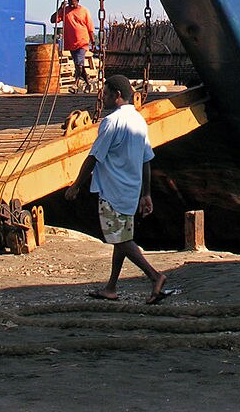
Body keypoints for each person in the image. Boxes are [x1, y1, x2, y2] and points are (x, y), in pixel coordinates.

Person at [65, 74, 171, 303]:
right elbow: (146, 160)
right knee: (121, 238)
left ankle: (155, 276)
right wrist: (146, 194)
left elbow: (93, 157)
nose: (102, 99)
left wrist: (76, 186)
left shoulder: (111, 123)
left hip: (112, 192)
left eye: (105, 94)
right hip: (131, 190)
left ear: (117, 95)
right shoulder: (139, 121)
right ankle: (111, 287)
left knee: (121, 241)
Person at [51, 0, 95, 88]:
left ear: (78, 1)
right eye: (70, 3)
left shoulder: (84, 11)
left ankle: (75, 84)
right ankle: (88, 84)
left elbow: (90, 28)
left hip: (82, 42)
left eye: (73, 3)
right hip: (71, 43)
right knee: (79, 65)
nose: (72, 5)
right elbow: (53, 19)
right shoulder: (65, 11)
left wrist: (93, 42)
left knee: (79, 64)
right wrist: (60, 8)